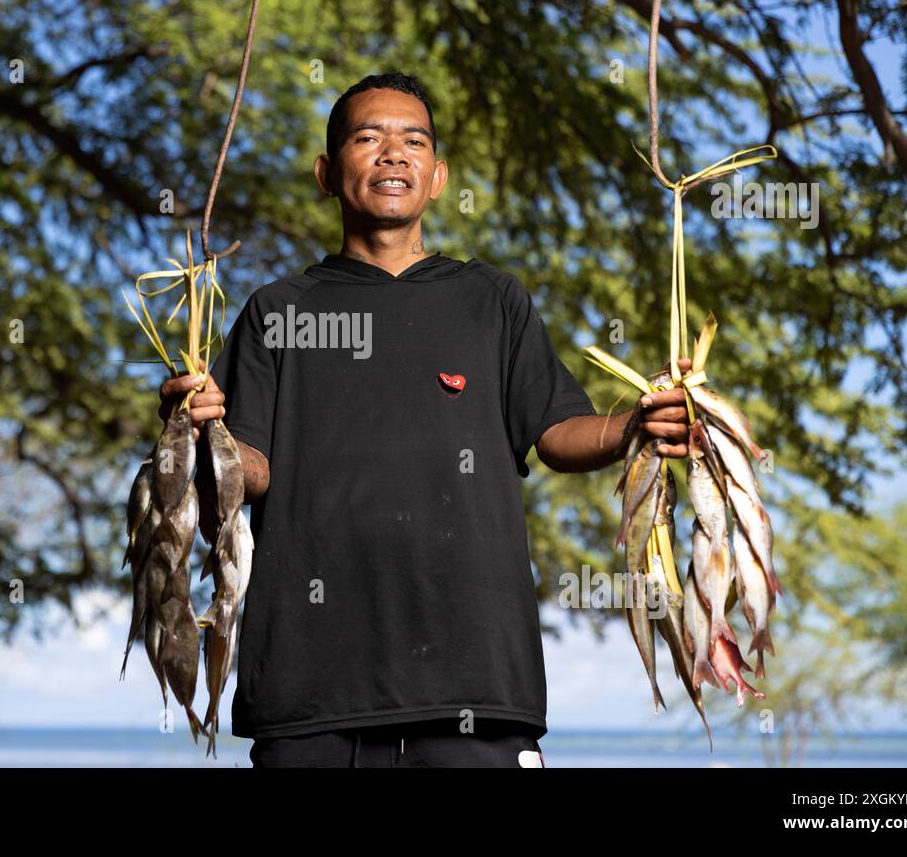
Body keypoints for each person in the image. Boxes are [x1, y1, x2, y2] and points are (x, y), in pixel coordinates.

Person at [158, 72, 691, 767]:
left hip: (474, 682)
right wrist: (196, 434)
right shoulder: (274, 312)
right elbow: (245, 469)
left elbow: (559, 433)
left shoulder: (492, 301)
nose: (392, 154)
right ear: (326, 172)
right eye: (367, 137)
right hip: (308, 688)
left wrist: (637, 426)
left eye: (413, 141)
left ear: (437, 177)